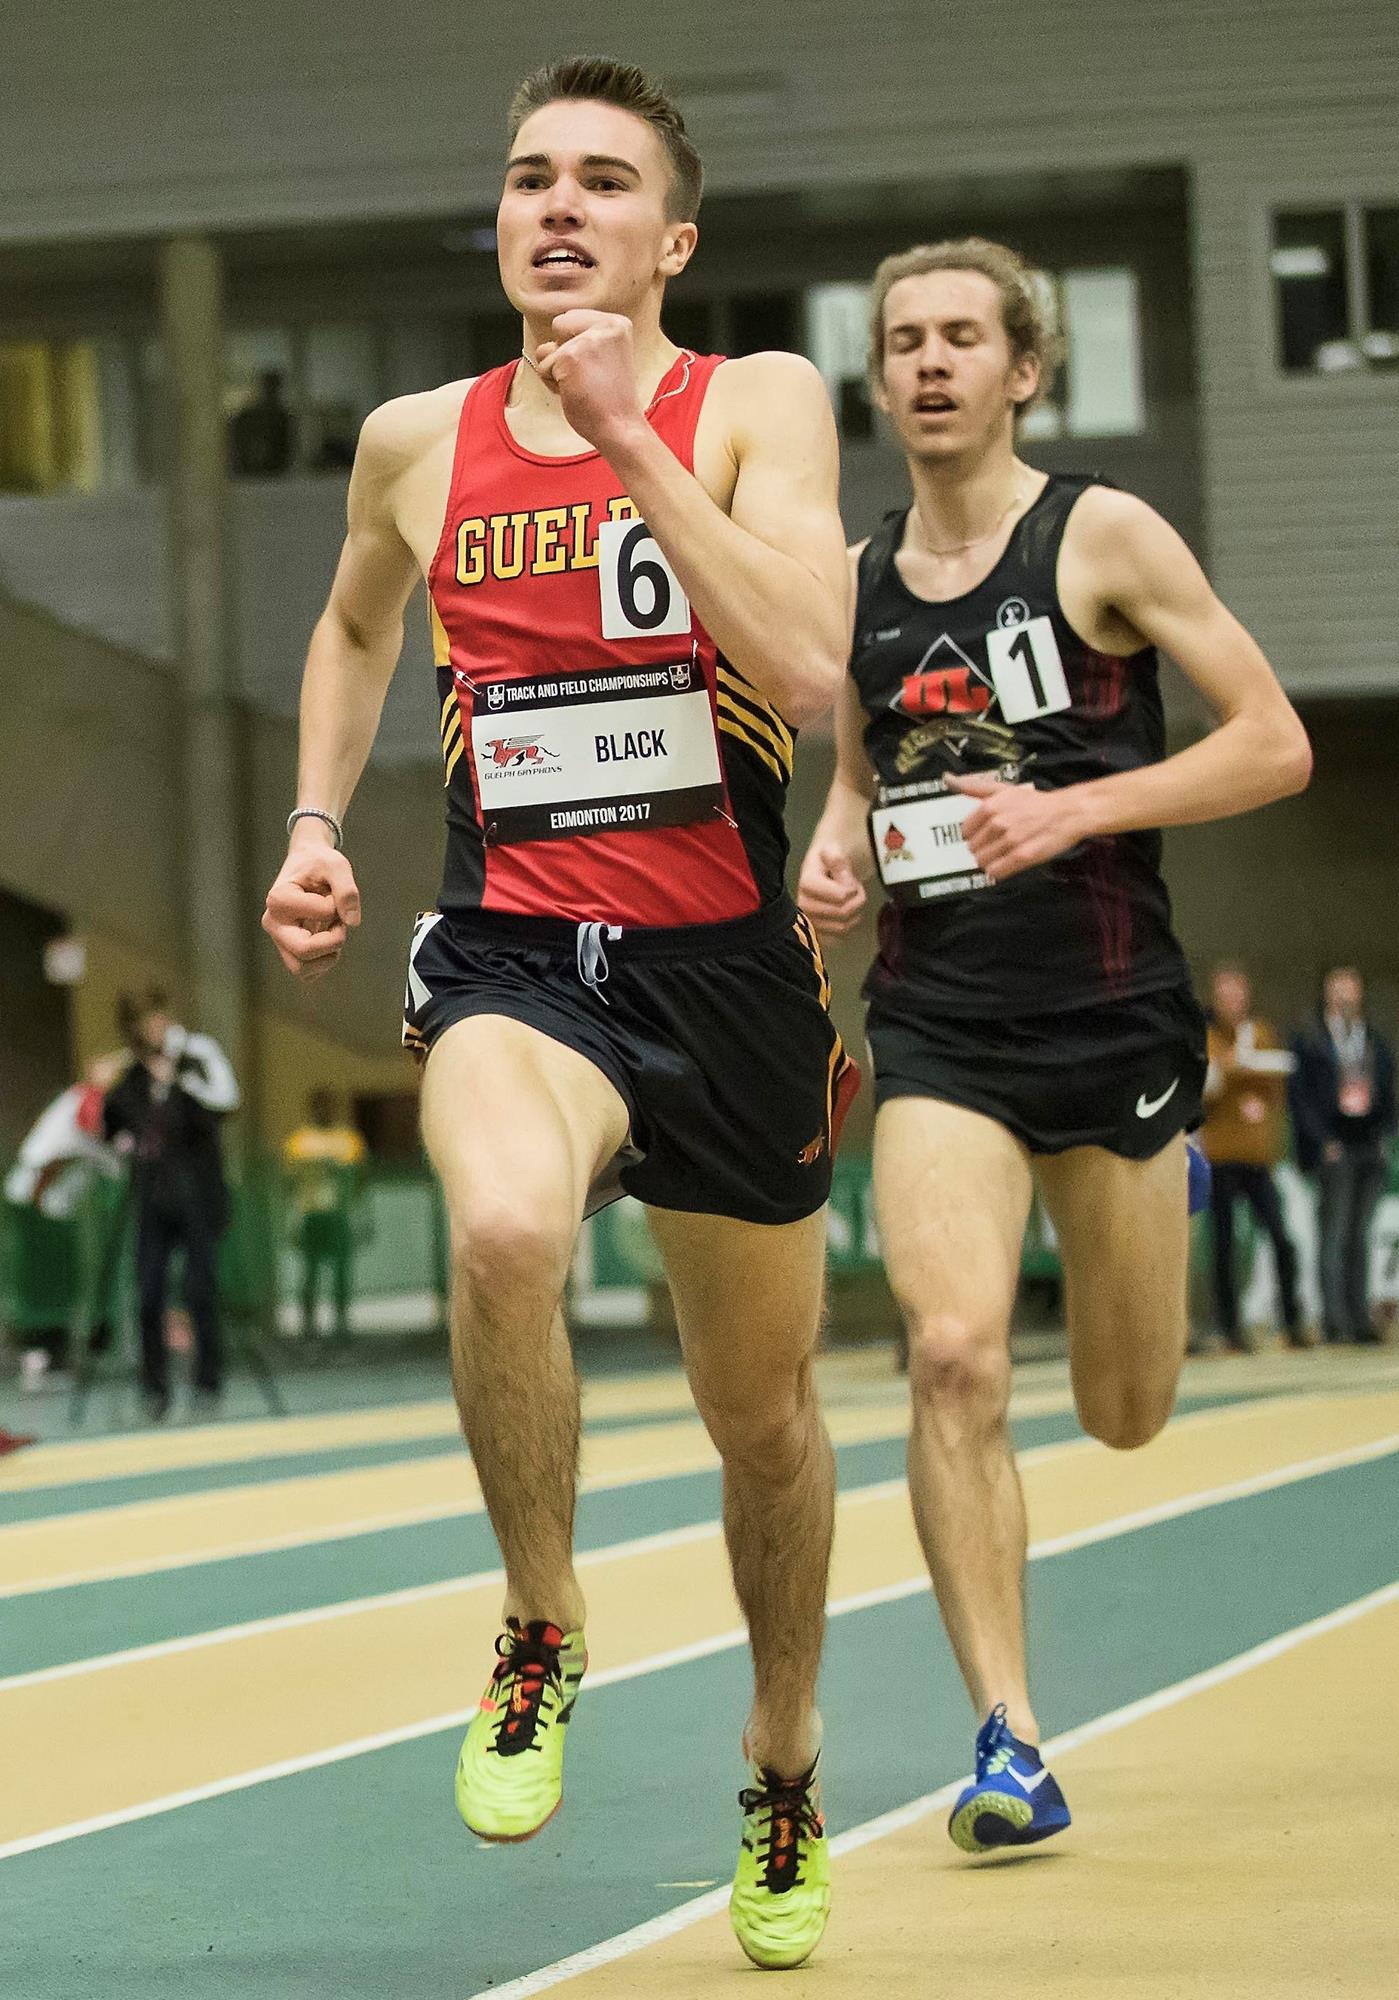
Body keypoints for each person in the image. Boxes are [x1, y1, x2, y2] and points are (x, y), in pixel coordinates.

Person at [261, 57, 854, 1971]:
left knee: (756, 1421)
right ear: (502, 221)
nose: (560, 206)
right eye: (530, 177)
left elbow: (813, 667)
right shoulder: (414, 441)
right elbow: (357, 623)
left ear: (669, 239)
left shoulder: (749, 403)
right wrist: (312, 824)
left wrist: (626, 440)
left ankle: (777, 1758)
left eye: (604, 181)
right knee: (503, 1223)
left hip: (728, 973)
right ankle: (541, 1617)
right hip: (516, 952)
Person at [798, 237, 1311, 1856]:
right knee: (948, 1355)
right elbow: (853, 790)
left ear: (1022, 369)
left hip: (1113, 1026)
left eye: (963, 337)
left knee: (1120, 1407)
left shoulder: (1095, 533)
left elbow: (1273, 743)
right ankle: (1006, 1739)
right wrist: (832, 857)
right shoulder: (851, 577)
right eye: (902, 342)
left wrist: (1070, 805)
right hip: (937, 1027)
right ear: (878, 380)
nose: (930, 362)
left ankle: (1155, 1234)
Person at [102, 988, 241, 1418]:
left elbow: (226, 1100)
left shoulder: (196, 1053)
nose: (153, 1027)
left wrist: (179, 1079)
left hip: (198, 1194)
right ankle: (154, 1388)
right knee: (148, 1293)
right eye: (143, 1021)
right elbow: (113, 1126)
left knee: (200, 1290)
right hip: (152, 1197)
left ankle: (207, 1382)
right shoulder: (132, 1074)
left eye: (157, 1016)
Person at [1199, 964, 1304, 1351]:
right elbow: (1204, 1089)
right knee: (1223, 1247)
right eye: (1226, 995)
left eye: (1238, 995)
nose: (1233, 1003)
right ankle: (1230, 1329)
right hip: (1222, 1157)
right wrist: (1228, 1069)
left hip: (1258, 1158)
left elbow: (1276, 1084)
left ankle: (1292, 1321)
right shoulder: (1208, 1039)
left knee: (1282, 1239)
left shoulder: (1260, 1034)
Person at [4, 1054, 125, 1385]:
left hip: (51, 1205)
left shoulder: (92, 1101)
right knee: (43, 1281)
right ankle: (40, 1353)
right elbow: (99, 1135)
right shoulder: (85, 1098)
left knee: (60, 1277)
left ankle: (54, 1352)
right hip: (36, 1197)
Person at [1291, 966, 1397, 1343]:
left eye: (1352, 989)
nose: (1347, 997)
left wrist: (1385, 1132)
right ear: (1327, 994)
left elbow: (1386, 1086)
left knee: (1360, 1235)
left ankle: (1358, 1317)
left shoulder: (1371, 1039)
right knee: (1333, 1235)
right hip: (1333, 1146)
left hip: (1367, 1144)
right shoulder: (1312, 1039)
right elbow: (1300, 1098)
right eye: (1339, 990)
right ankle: (1335, 1319)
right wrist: (1320, 1141)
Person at [282, 1089, 367, 1342]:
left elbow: (360, 1180)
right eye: (319, 1107)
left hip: (338, 1215)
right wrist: (292, 1219)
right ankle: (309, 1327)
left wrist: (361, 1216)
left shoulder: (348, 1140)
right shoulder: (300, 1141)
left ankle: (341, 1325)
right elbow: (289, 1184)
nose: (324, 1112)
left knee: (341, 1272)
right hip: (311, 1214)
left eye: (328, 1106)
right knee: (310, 1274)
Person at [229, 370, 295, 477]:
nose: (270, 391)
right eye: (268, 387)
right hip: (250, 474)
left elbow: (286, 448)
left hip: (275, 473)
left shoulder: (282, 418)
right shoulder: (247, 417)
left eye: (273, 387)